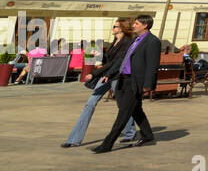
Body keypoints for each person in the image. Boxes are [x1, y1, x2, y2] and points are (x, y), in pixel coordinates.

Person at [62, 18, 138, 148]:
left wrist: (95, 74)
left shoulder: (127, 43)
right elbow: (110, 61)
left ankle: (130, 133)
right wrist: (98, 56)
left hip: (116, 77)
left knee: (122, 105)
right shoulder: (116, 41)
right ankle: (74, 139)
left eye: (115, 26)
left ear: (121, 28)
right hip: (106, 76)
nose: (113, 28)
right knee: (90, 104)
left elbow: (117, 63)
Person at [91, 14, 161, 152]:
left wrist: (148, 85)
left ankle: (107, 144)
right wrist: (109, 74)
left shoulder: (153, 41)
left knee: (123, 113)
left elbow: (153, 65)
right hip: (124, 79)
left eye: (136, 23)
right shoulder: (136, 40)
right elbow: (122, 60)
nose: (133, 25)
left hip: (136, 82)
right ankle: (147, 135)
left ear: (145, 25)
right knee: (135, 110)